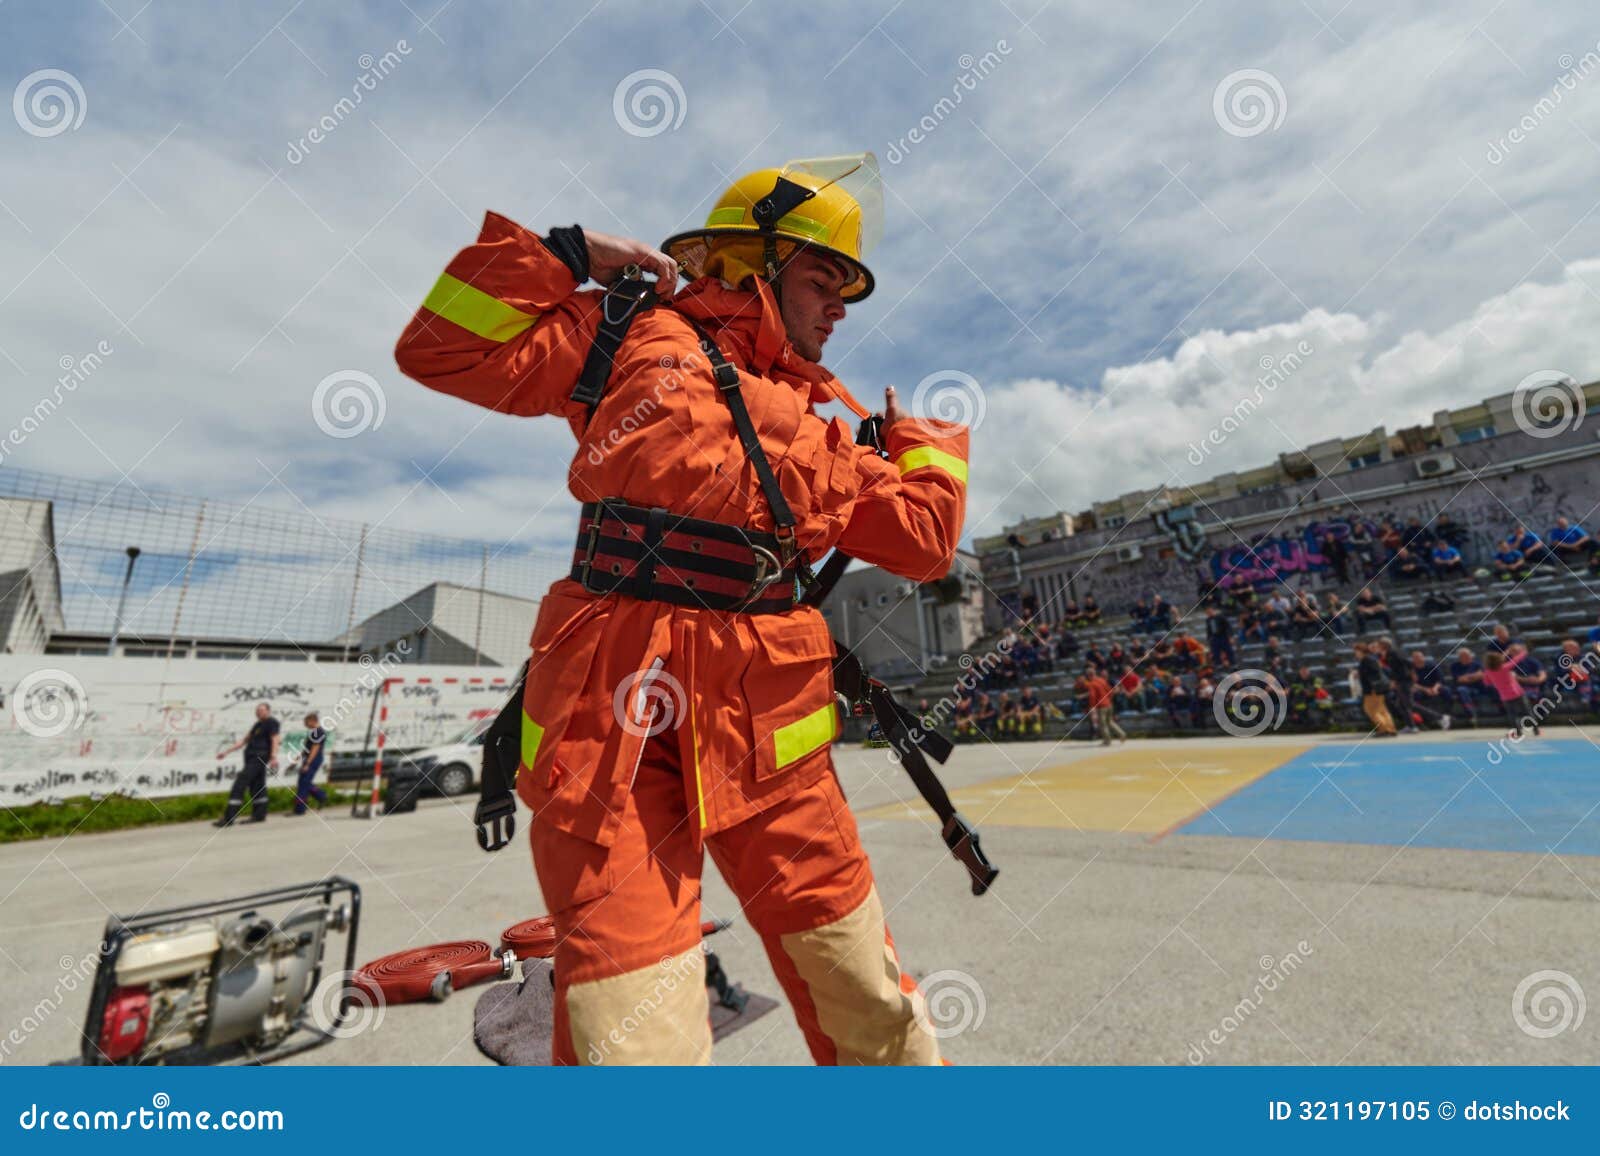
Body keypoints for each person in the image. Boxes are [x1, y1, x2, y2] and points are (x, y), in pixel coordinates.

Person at [395, 155, 967, 1065]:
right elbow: (440, 350)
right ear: (754, 263)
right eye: (827, 278)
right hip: (609, 735)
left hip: (773, 733)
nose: (844, 307)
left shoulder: (821, 423)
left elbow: (926, 539)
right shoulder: (626, 330)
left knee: (867, 1002)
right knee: (630, 1043)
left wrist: (919, 442)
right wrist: (567, 254)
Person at [215, 702, 279, 826]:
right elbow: (244, 740)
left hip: (259, 757)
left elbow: (275, 739)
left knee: (240, 783)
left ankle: (229, 817)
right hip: (251, 757)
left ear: (268, 711)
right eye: (257, 710)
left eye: (261, 710)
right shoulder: (258, 725)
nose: (258, 712)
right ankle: (259, 815)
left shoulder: (272, 722)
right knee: (257, 785)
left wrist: (274, 757)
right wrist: (226, 752)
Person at [1483, 651, 1539, 738]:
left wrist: (1496, 682)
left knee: (1512, 715)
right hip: (1518, 693)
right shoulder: (1505, 667)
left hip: (1505, 696)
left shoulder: (1487, 672)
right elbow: (1515, 660)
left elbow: (1487, 683)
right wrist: (1523, 652)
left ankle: (1518, 732)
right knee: (1528, 711)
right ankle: (1536, 729)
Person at [1353, 642, 1397, 736]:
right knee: (1381, 709)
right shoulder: (1370, 659)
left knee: (1371, 709)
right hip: (1377, 689)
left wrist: (1373, 687)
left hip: (1372, 689)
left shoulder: (1367, 660)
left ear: (1361, 651)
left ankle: (1384, 729)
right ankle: (1390, 728)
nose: (1355, 653)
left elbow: (1374, 674)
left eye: (1356, 651)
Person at [291, 712, 329, 815]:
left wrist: (308, 763)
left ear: (312, 721)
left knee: (304, 782)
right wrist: (297, 759)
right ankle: (321, 796)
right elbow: (306, 749)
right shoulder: (313, 732)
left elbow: (315, 749)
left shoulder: (318, 732)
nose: (305, 724)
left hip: (314, 759)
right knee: (304, 781)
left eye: (306, 722)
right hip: (310, 759)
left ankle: (300, 809)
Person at [1083, 666, 1125, 746]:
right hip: (1109, 704)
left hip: (1101, 706)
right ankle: (1122, 734)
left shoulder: (1092, 684)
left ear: (1089, 675)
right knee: (1110, 721)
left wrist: (1092, 706)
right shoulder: (1102, 680)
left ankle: (1107, 741)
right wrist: (1109, 700)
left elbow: (1092, 696)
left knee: (1103, 724)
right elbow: (1110, 691)